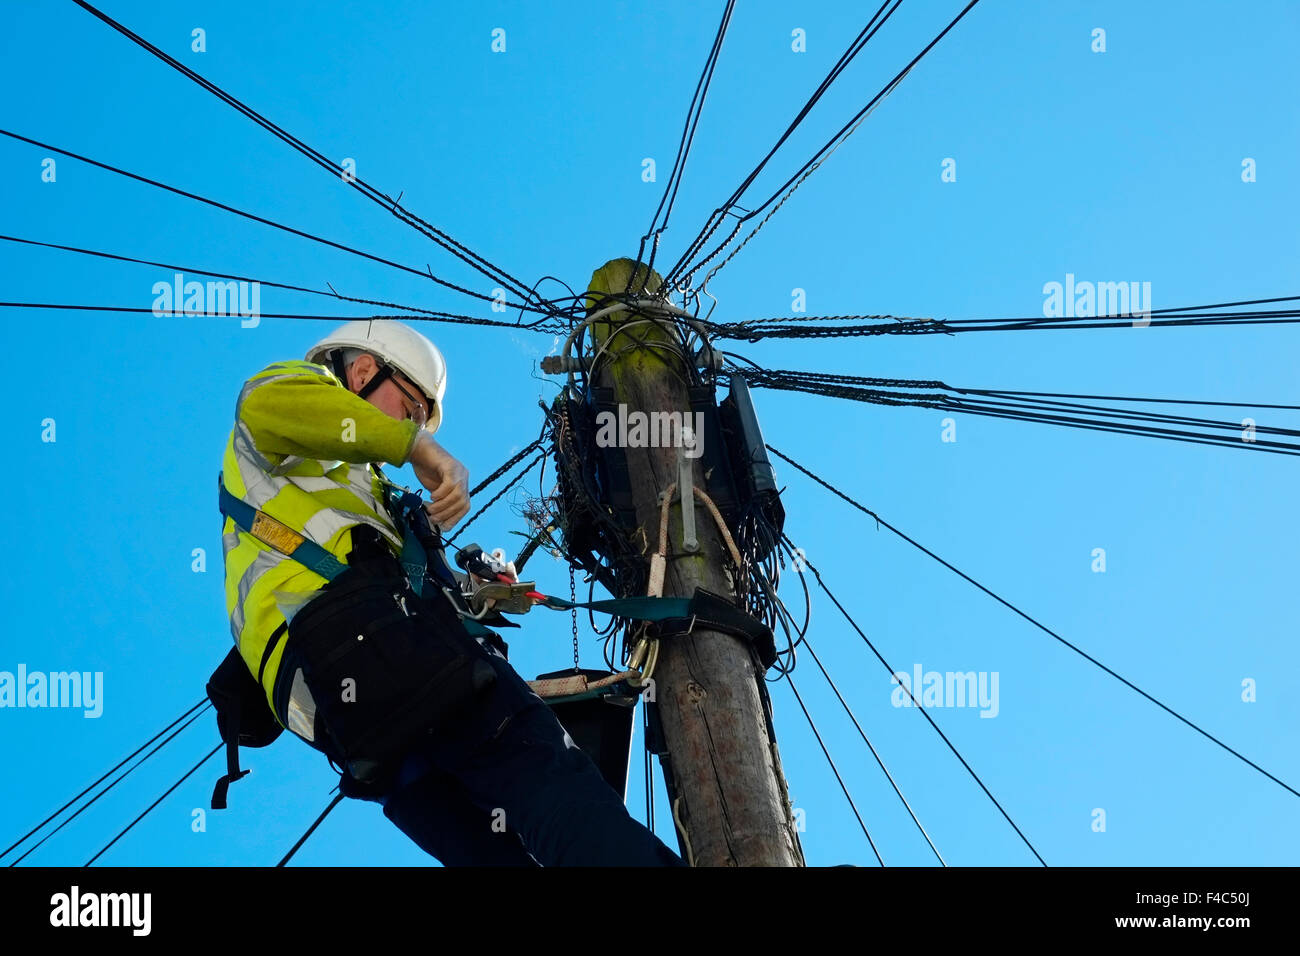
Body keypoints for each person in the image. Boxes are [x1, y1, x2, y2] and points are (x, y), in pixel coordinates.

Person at [218, 319, 684, 867]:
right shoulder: (283, 394)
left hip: (354, 719)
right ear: (364, 371)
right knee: (554, 788)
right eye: (412, 407)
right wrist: (419, 448)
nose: (415, 424)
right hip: (391, 657)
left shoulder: (357, 490)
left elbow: (371, 565)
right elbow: (283, 406)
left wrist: (474, 592)